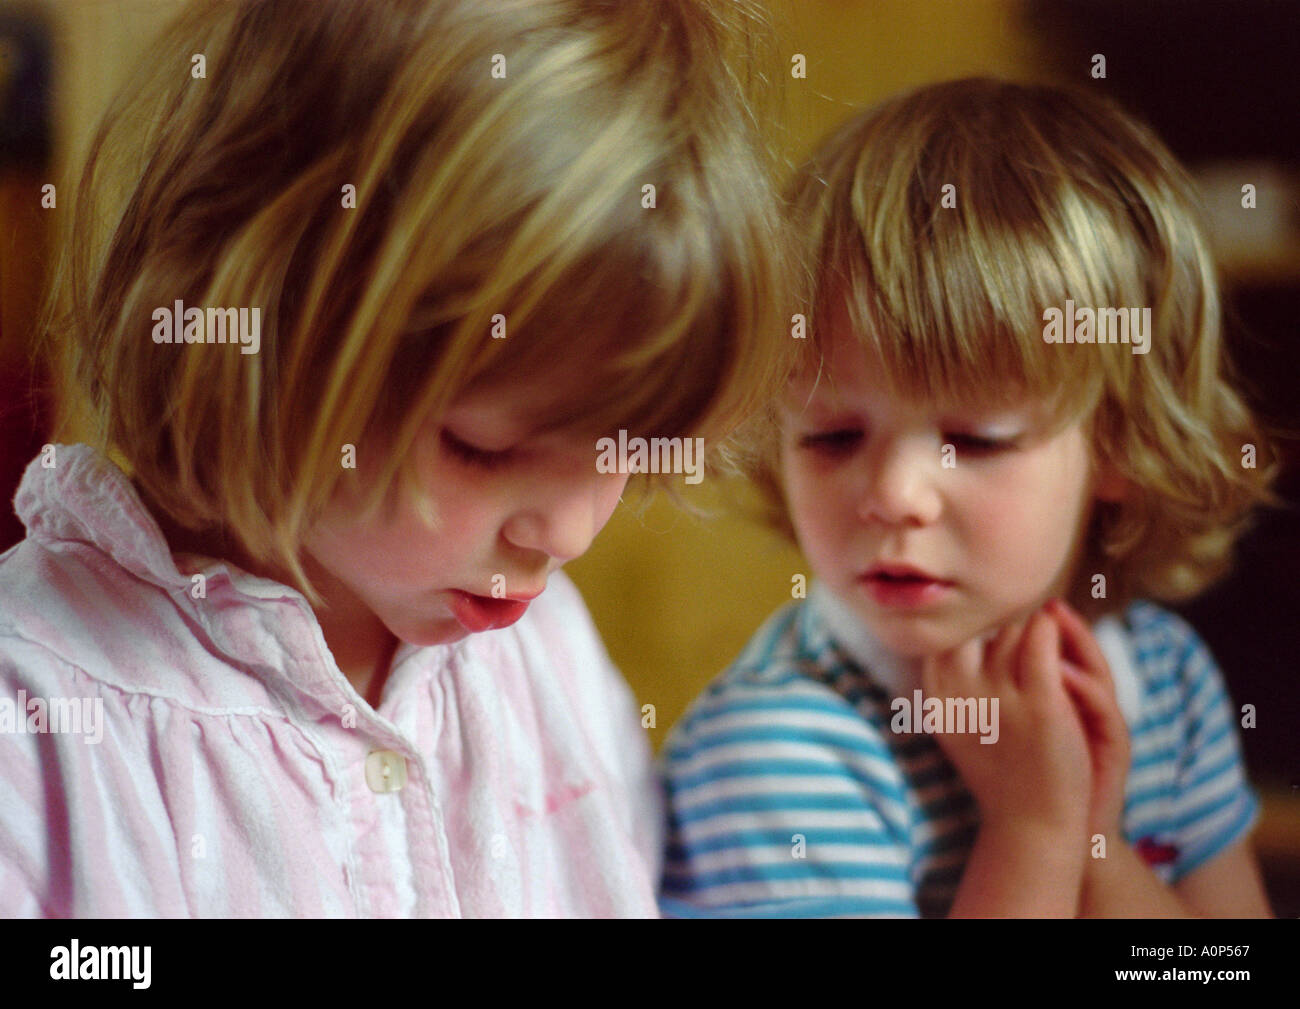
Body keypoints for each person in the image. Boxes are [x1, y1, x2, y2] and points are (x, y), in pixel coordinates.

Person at [0, 0, 792, 917]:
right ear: (262, 330)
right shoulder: (40, 718)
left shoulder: (549, 650)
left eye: (617, 450)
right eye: (484, 448)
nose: (568, 532)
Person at [661, 78, 1276, 917]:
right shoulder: (783, 750)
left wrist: (1095, 843)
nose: (893, 495)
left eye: (974, 440)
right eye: (833, 436)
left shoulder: (1165, 678)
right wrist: (1033, 830)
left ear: (1120, 447)